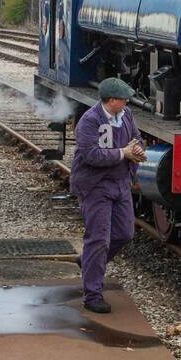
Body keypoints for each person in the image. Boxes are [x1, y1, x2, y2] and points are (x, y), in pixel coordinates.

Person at [70, 77, 147, 313]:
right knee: (98, 239)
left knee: (124, 233)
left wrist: (137, 150)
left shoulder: (127, 116)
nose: (126, 103)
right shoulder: (89, 121)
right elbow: (91, 155)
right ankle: (92, 295)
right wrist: (123, 153)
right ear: (111, 100)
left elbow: (137, 138)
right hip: (96, 186)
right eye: (123, 99)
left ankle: (89, 263)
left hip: (120, 184)